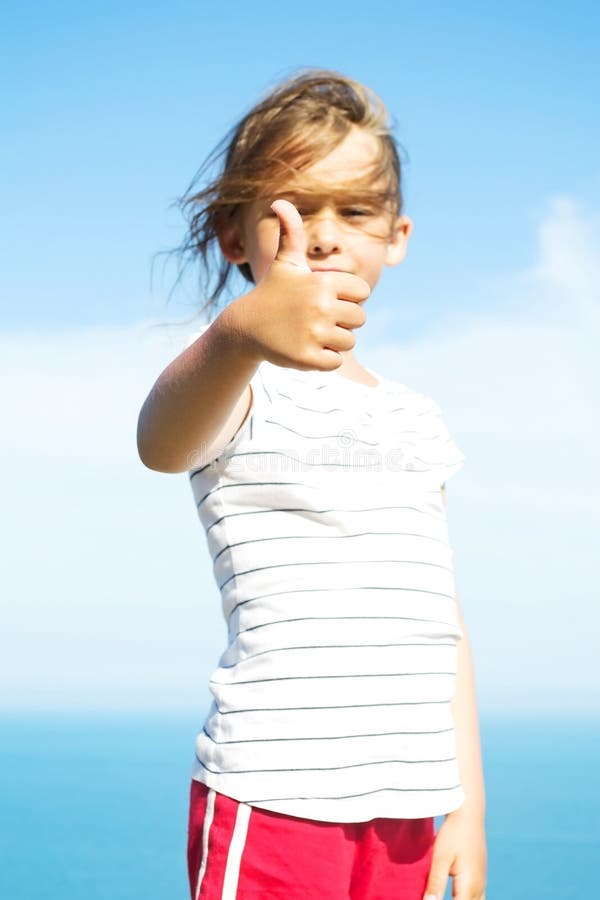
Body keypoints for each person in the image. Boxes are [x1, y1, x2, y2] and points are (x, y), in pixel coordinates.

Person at [137, 69, 487, 900]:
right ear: (233, 236)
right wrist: (240, 334)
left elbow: (439, 619)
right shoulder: (241, 380)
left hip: (405, 810)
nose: (325, 235)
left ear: (397, 234)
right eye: (293, 209)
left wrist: (465, 806)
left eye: (354, 210)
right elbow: (160, 440)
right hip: (273, 796)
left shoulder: (414, 415)